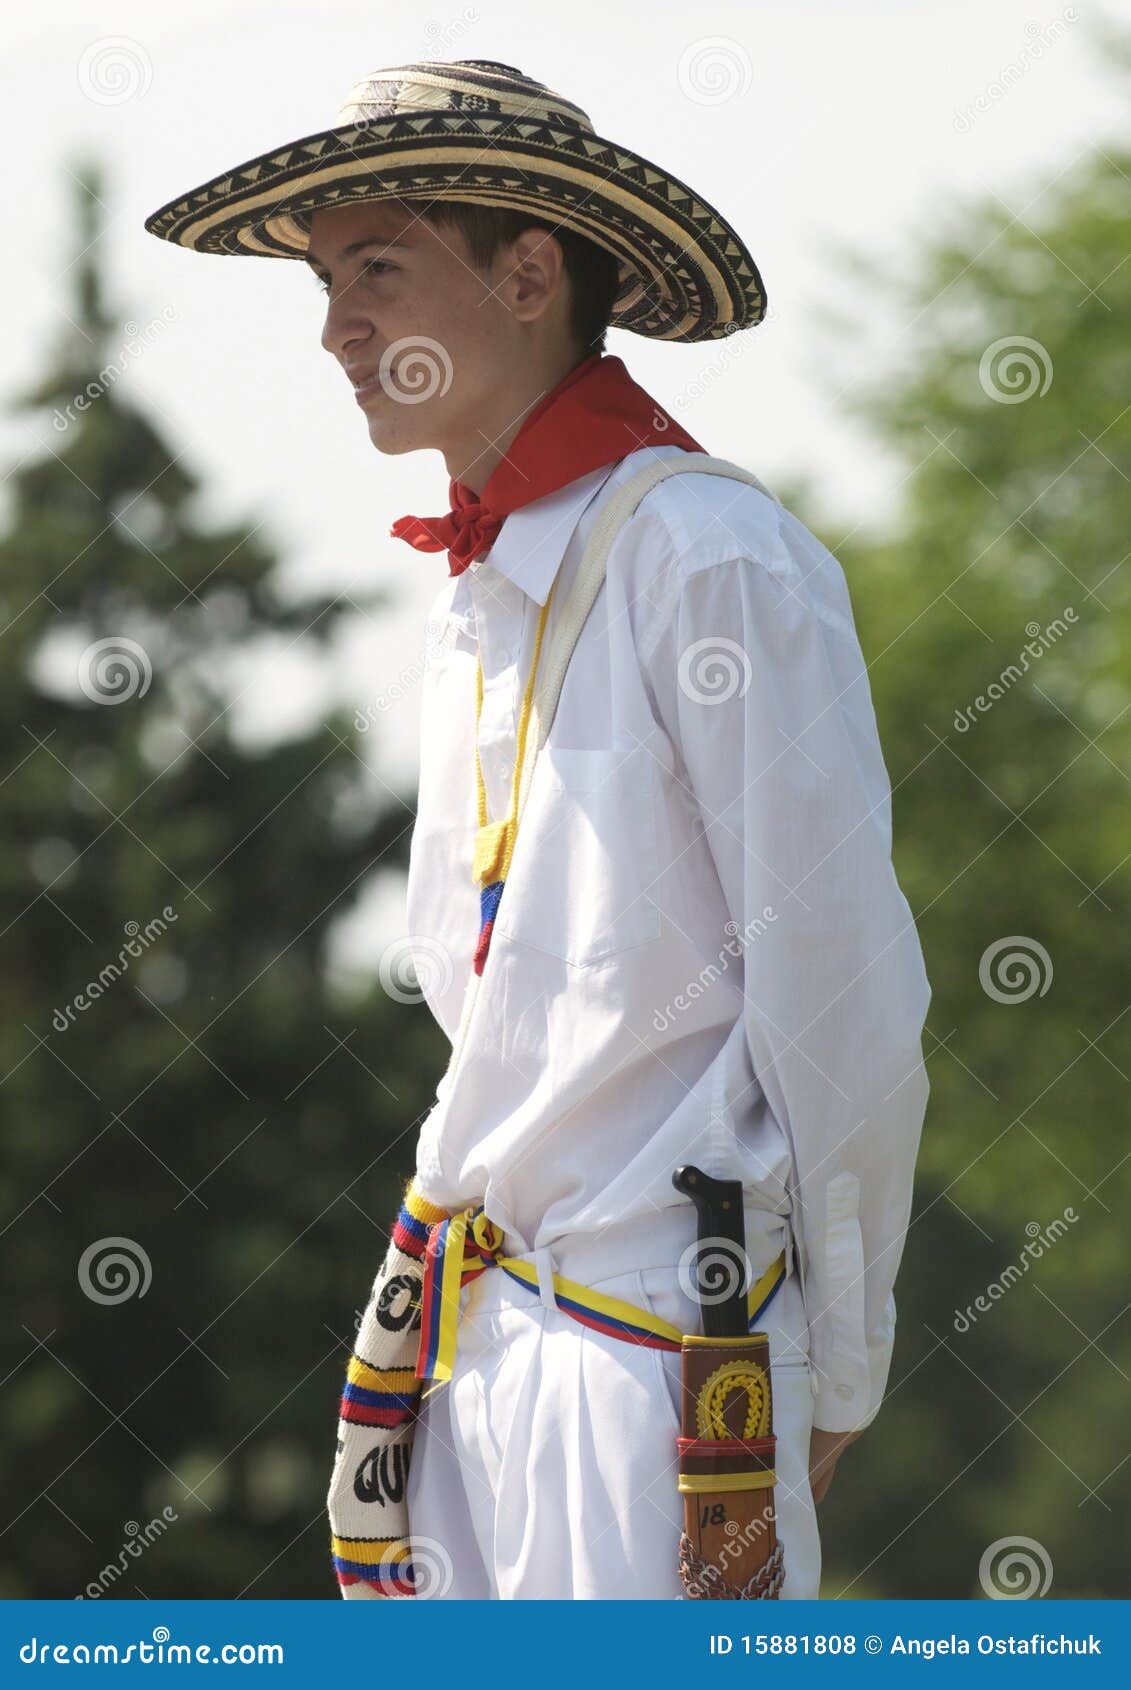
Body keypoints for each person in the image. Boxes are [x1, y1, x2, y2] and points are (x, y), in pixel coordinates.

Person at [144, 59, 931, 1601]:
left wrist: (835, 1367)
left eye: (375, 268)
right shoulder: (483, 595)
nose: (334, 329)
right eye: (322, 279)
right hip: (471, 1358)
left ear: (528, 273)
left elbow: (845, 1003)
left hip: (664, 1362)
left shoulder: (713, 558)